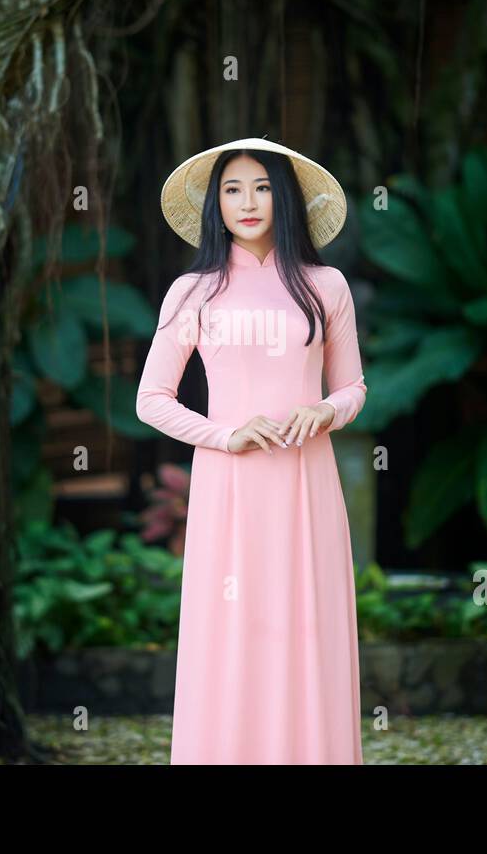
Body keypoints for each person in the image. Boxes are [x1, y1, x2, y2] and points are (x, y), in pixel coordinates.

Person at [136, 136, 367, 764]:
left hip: (305, 483)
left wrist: (324, 409)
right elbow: (151, 398)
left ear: (285, 197)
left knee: (306, 632)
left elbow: (353, 388)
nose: (247, 202)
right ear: (215, 203)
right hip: (229, 488)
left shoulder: (326, 285)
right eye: (232, 189)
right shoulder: (194, 292)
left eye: (262, 187)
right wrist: (225, 434)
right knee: (232, 635)